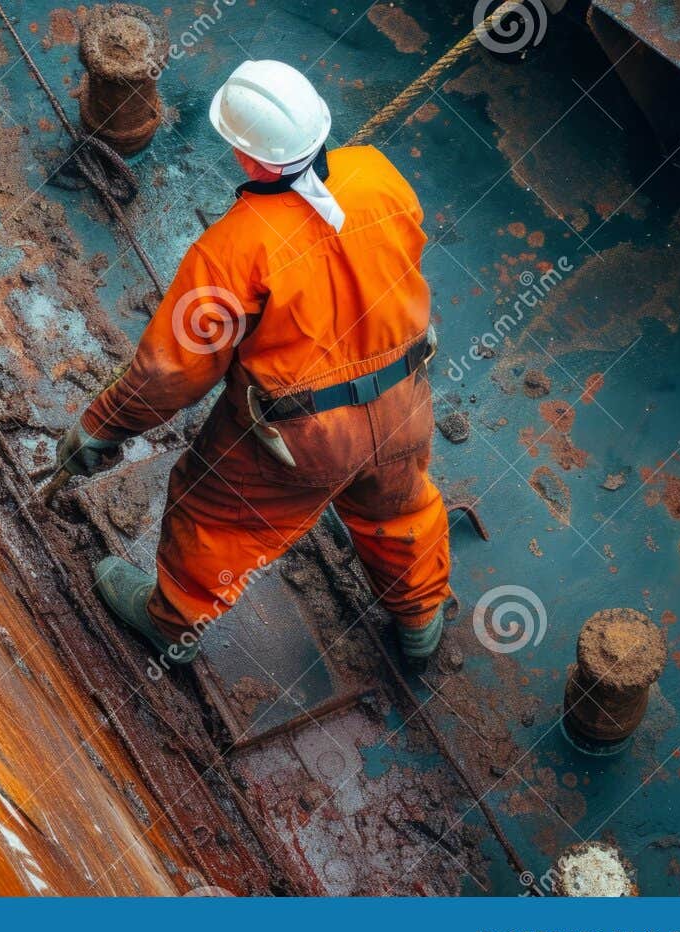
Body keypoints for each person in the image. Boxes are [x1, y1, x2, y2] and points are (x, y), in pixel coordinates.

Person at [56, 59, 451, 667]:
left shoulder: (233, 250)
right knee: (398, 506)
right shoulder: (377, 175)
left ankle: (172, 624)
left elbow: (172, 371)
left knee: (214, 508)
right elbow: (408, 247)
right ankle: (421, 619)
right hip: (406, 400)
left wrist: (102, 425)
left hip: (306, 436)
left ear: (246, 157)